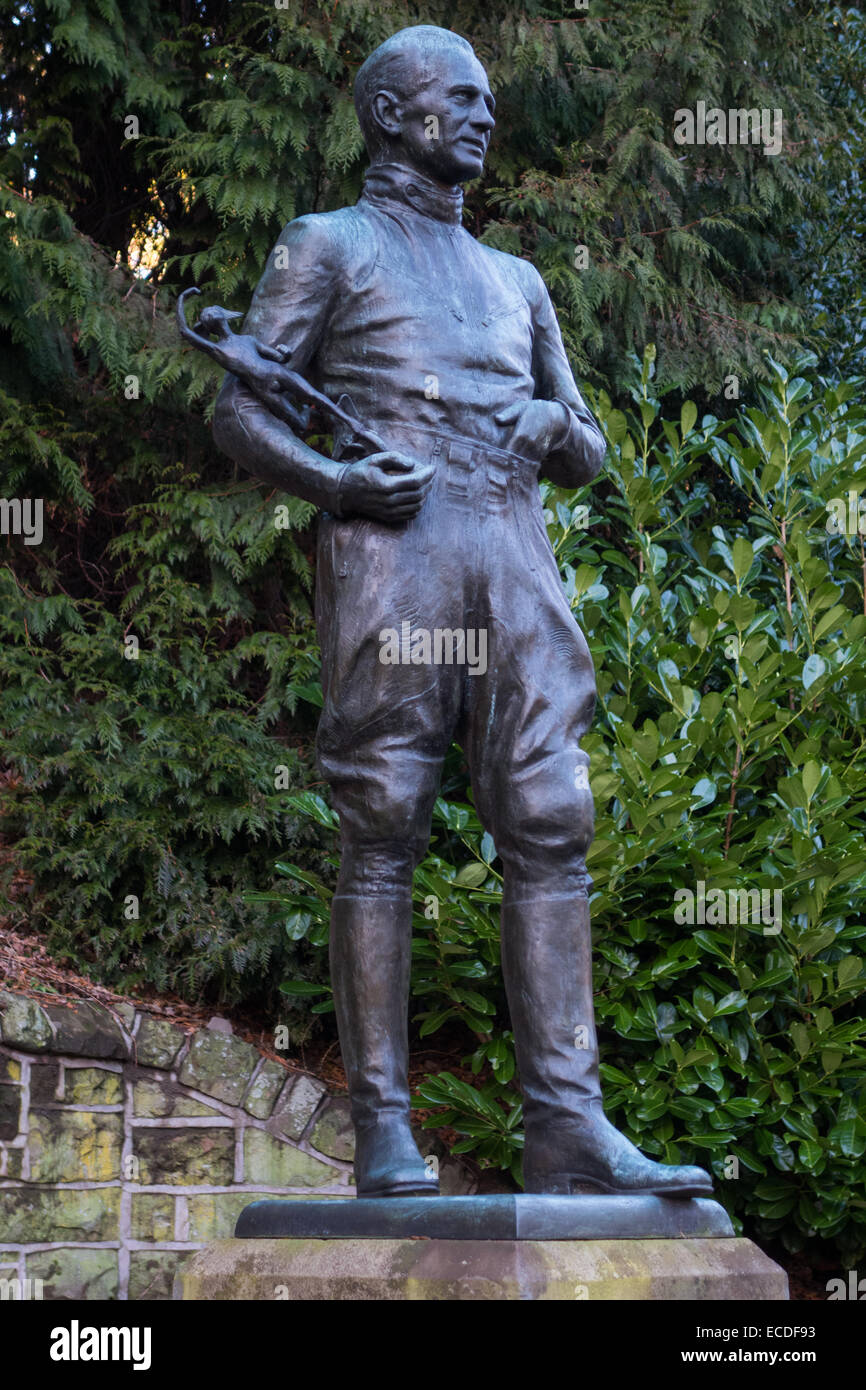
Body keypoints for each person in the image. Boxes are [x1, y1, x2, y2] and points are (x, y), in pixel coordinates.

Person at [213, 25, 712, 1202]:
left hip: (512, 549)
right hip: (395, 547)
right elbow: (238, 414)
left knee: (550, 812)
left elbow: (584, 443)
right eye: (459, 99)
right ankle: (382, 1125)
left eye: (489, 101)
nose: (485, 117)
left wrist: (557, 430)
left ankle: (567, 1122)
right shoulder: (326, 246)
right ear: (390, 115)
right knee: (382, 815)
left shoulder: (516, 281)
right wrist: (336, 483)